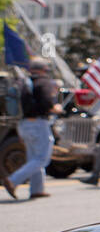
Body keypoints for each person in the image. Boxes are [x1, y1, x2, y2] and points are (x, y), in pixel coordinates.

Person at [3, 57, 61, 200]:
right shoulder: (43, 82)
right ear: (44, 69)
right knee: (42, 159)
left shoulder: (23, 82)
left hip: (23, 124)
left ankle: (37, 189)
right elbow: (47, 102)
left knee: (33, 158)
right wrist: (56, 107)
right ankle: (12, 180)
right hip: (38, 124)